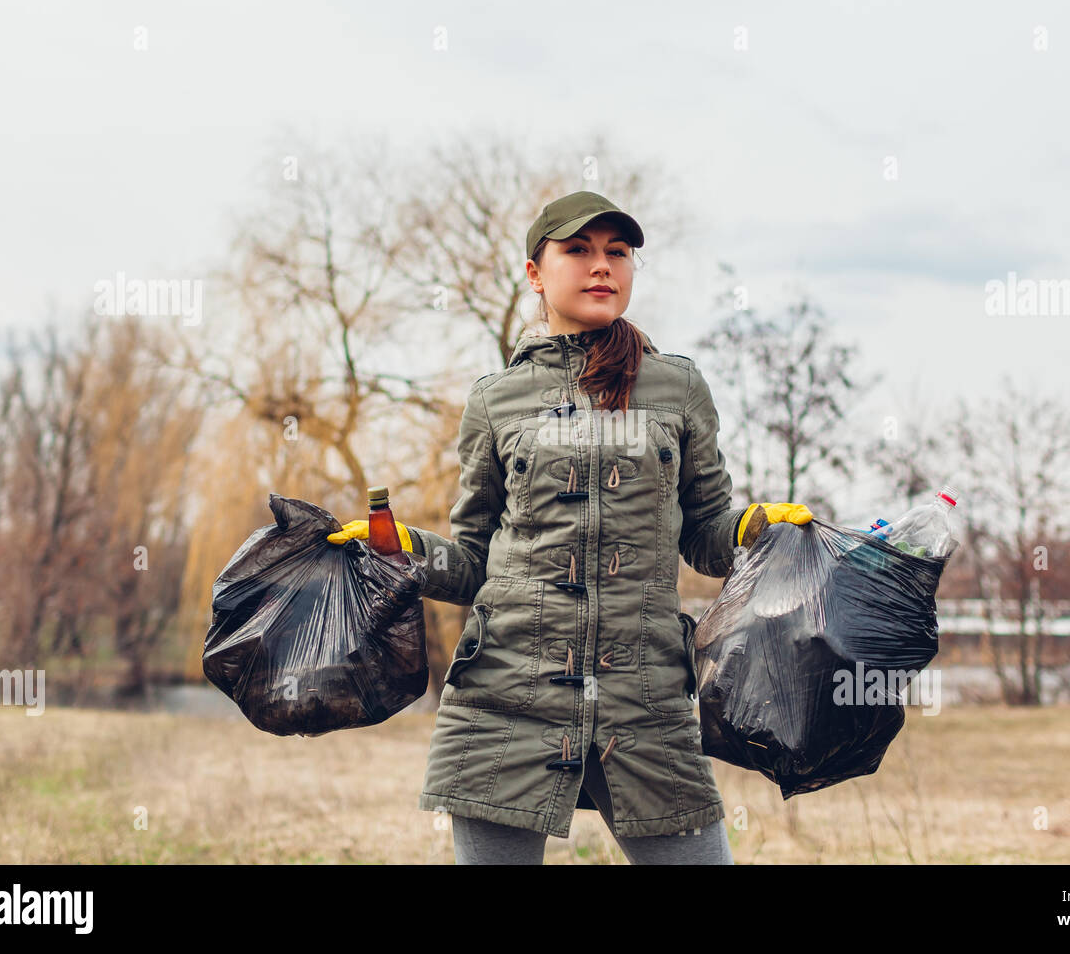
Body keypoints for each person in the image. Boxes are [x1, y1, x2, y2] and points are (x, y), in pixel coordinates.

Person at [328, 191, 812, 864]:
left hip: (644, 698)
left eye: (618, 252)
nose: (602, 266)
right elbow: (472, 560)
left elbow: (703, 534)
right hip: (507, 694)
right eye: (579, 250)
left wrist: (755, 527)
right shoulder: (496, 399)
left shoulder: (677, 388)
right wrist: (402, 548)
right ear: (535, 273)